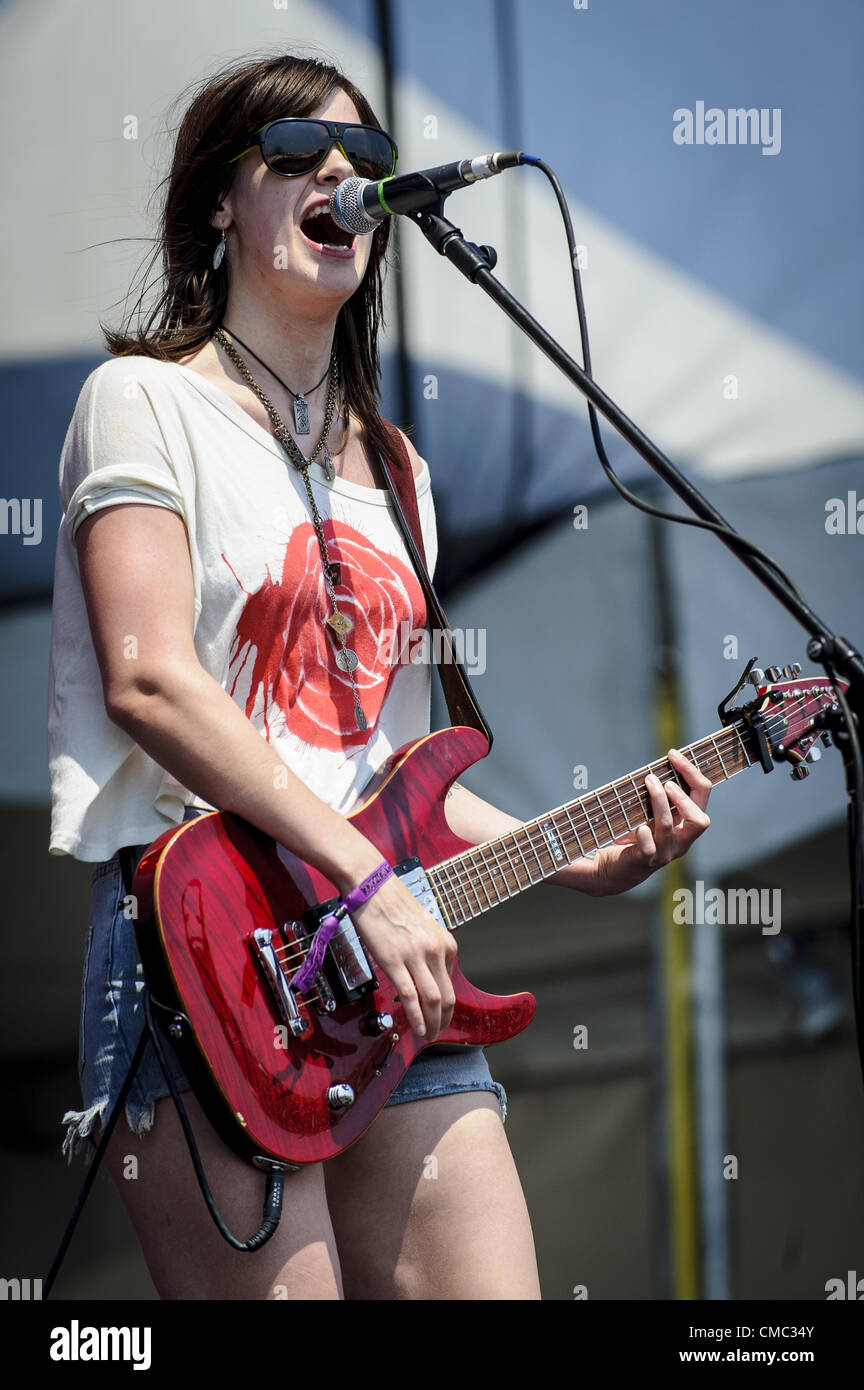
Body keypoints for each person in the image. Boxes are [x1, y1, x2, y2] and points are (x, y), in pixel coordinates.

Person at [47, 50, 712, 1301]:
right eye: (297, 151)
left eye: (364, 158)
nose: (341, 174)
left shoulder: (396, 470)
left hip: (388, 965)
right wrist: (367, 878)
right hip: (205, 947)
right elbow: (150, 683)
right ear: (218, 202)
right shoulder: (140, 401)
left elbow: (390, 777)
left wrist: (574, 851)